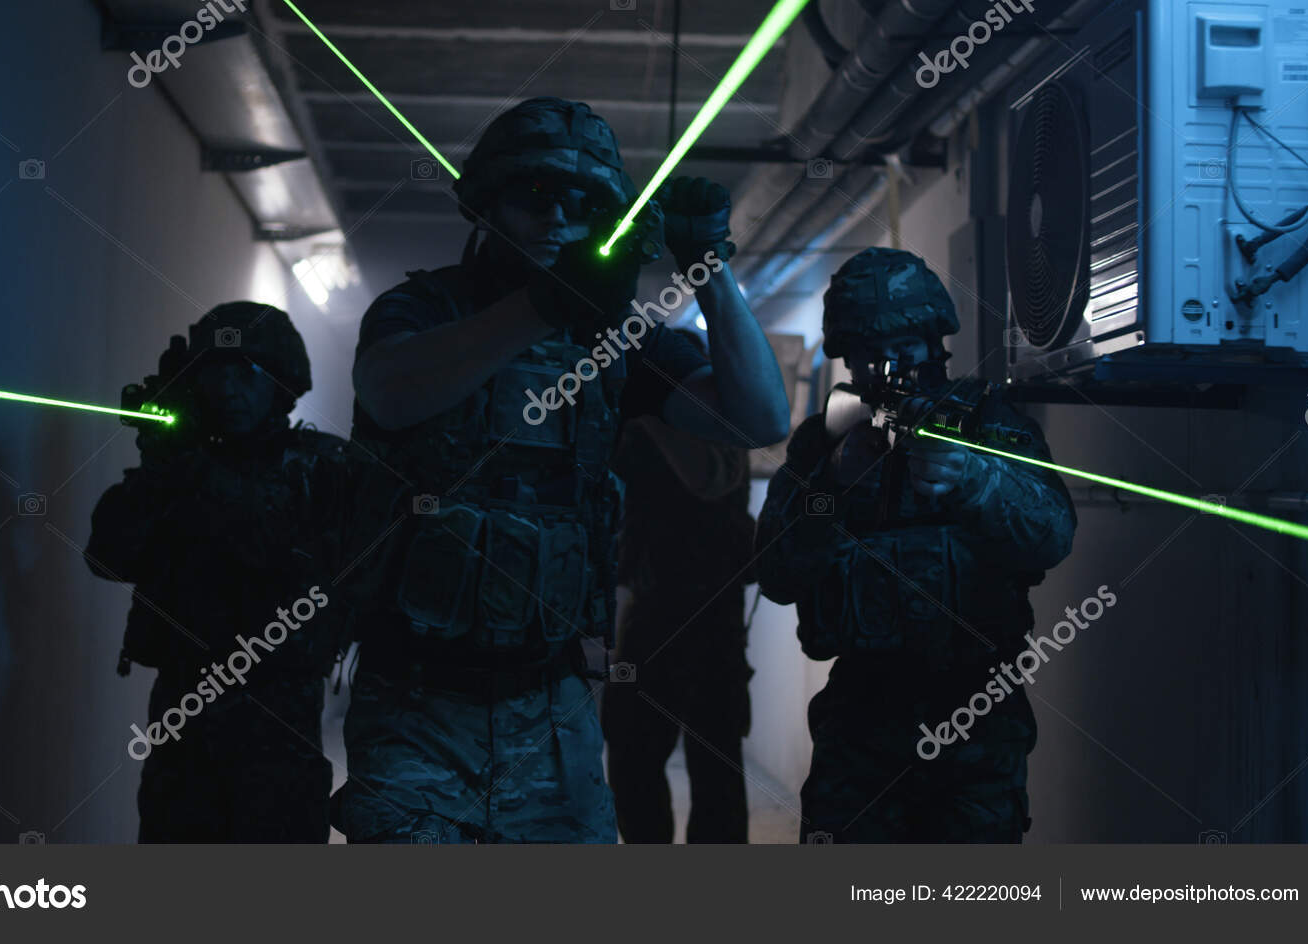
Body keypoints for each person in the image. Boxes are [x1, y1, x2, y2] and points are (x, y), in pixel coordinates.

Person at [337, 97, 790, 843]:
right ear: (485, 203)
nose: (558, 219)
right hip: (416, 701)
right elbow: (390, 392)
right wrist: (546, 306)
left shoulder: (615, 337)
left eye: (583, 204)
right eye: (535, 196)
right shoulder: (422, 308)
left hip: (550, 700)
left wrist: (709, 268)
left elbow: (759, 418)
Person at [755, 247, 1077, 843]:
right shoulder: (823, 443)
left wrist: (971, 480)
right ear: (846, 356)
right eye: (868, 352)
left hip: (977, 717)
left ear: (934, 341)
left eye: (904, 346)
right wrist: (833, 487)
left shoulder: (989, 427)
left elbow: (1052, 536)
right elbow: (775, 573)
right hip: (862, 721)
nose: (887, 365)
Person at [85, 301, 346, 842]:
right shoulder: (179, 466)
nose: (229, 388)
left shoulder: (322, 468)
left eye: (246, 373)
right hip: (184, 715)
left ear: (281, 383)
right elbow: (107, 556)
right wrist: (161, 465)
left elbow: (271, 549)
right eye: (216, 372)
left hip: (279, 721)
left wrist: (190, 467)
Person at [603, 329, 757, 843]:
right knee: (631, 754)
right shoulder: (644, 428)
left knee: (714, 767)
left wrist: (654, 411)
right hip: (654, 610)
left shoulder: (719, 426)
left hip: (712, 612)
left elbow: (711, 479)